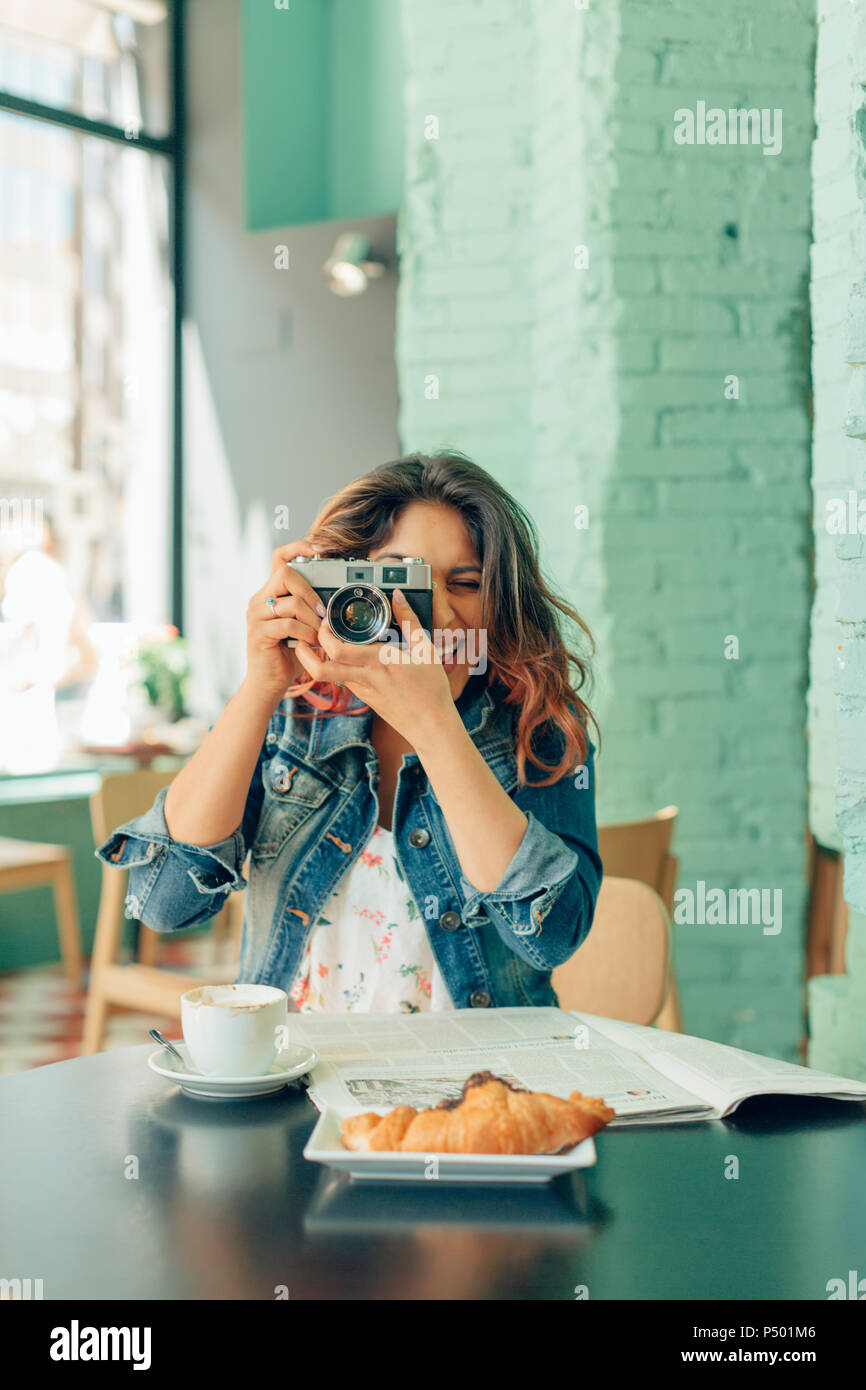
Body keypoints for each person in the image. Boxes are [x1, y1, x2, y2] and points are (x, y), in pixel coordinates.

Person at [95, 452, 603, 1012]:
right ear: (350, 592)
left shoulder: (539, 726)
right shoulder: (293, 716)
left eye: (464, 583)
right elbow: (165, 904)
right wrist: (261, 685)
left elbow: (551, 938)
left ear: (502, 606)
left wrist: (432, 725)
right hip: (298, 1080)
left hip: (479, 1086)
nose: (435, 616)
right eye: (403, 582)